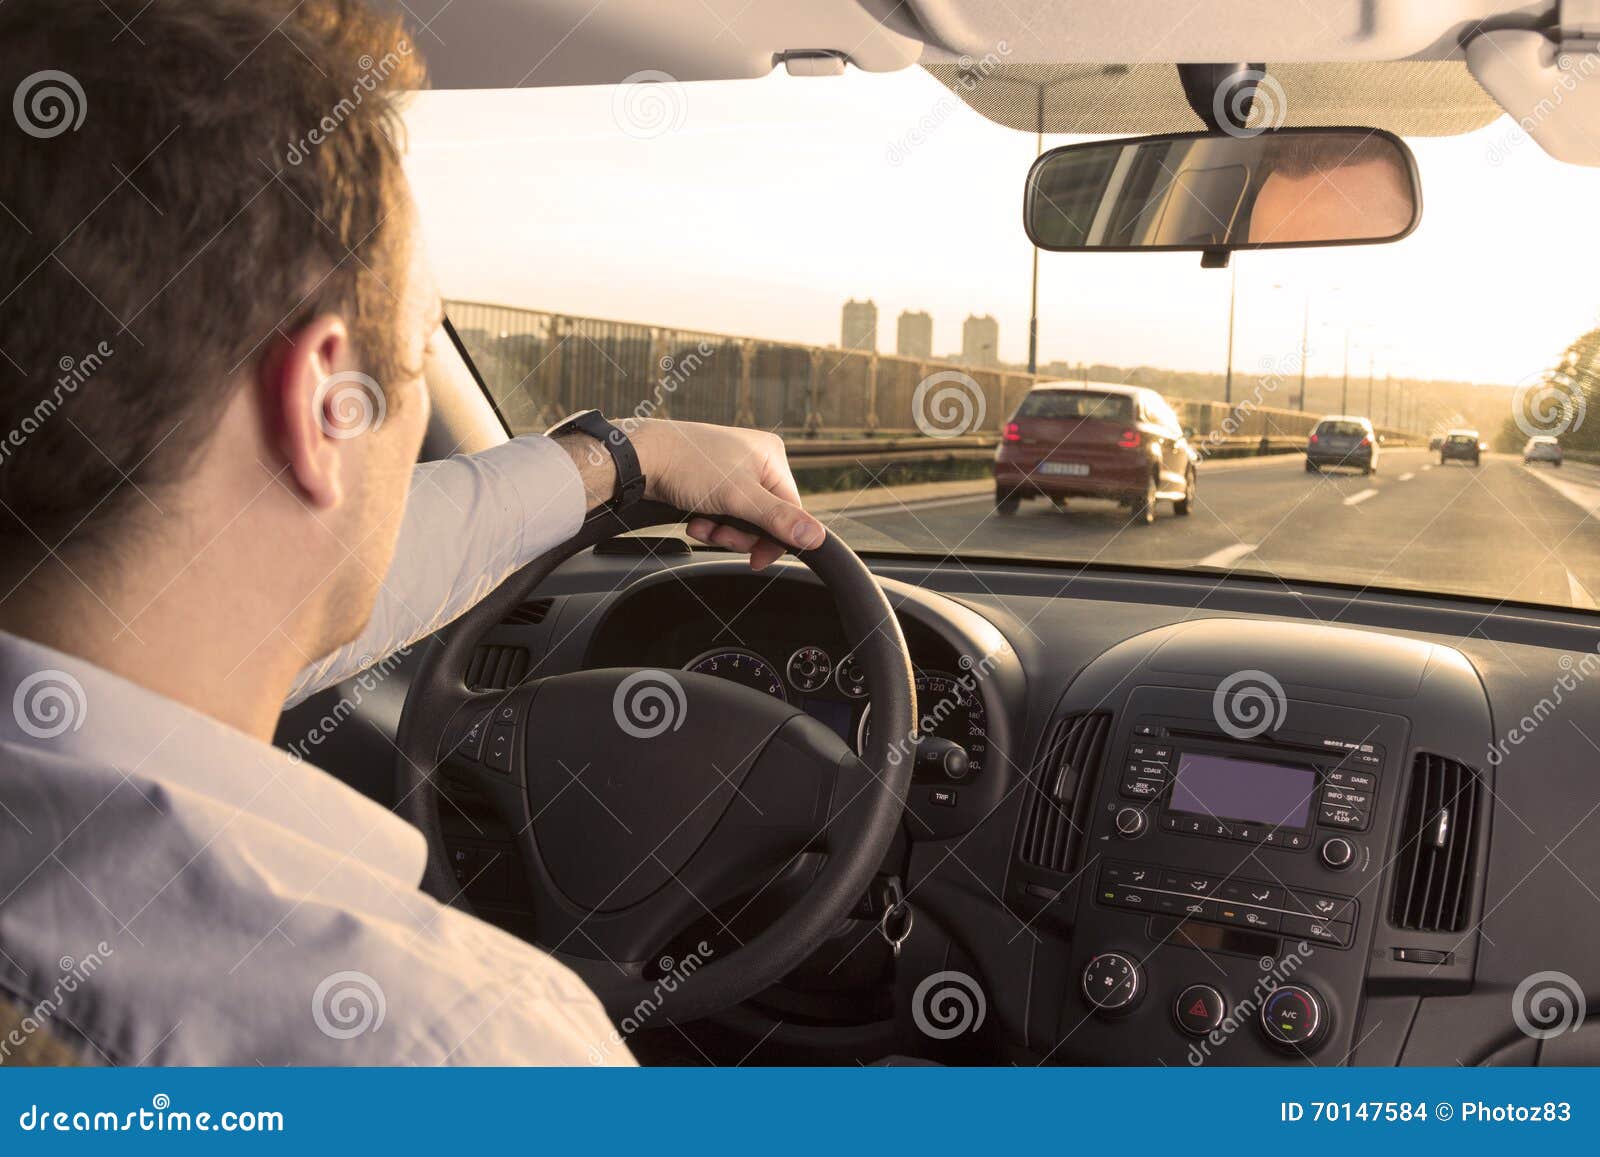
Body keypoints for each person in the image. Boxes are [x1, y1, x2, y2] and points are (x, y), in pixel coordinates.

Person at [0, 0, 824, 1064]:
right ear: (323, 405)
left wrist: (627, 455)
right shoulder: (460, 1043)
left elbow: (239, 580)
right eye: (415, 345)